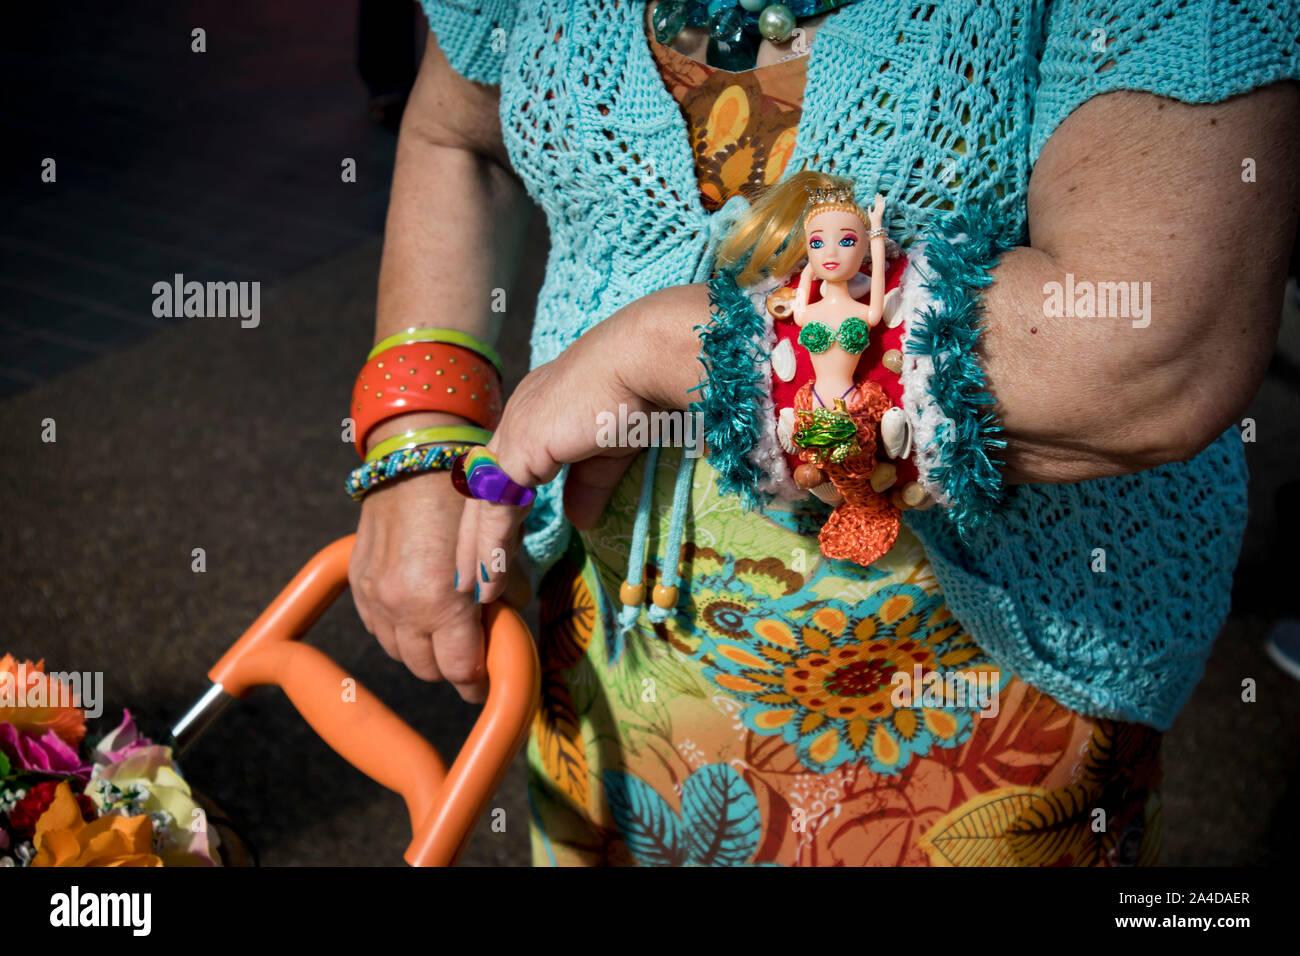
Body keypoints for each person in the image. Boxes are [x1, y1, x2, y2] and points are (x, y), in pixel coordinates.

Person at [347, 0, 1300, 865]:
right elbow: (455, 139)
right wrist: (417, 435)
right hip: (606, 654)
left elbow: (1156, 345)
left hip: (975, 704)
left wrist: (665, 348)